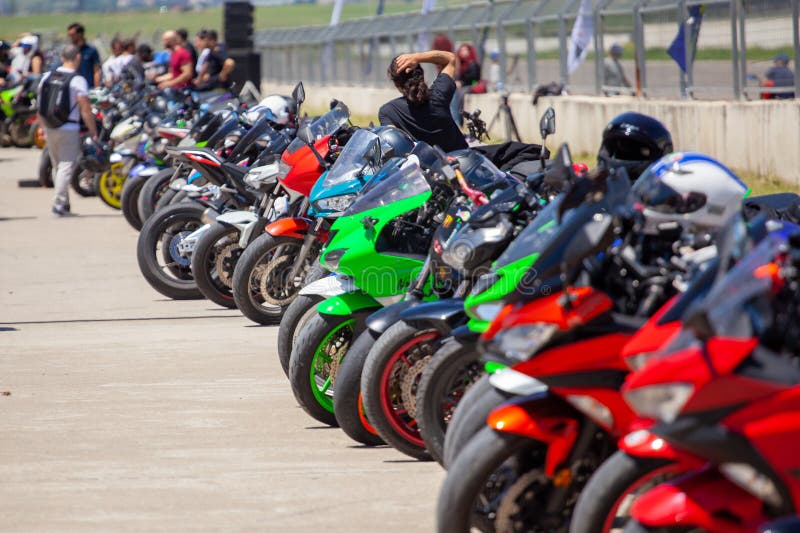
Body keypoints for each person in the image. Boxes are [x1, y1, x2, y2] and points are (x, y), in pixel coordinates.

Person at [38, 44, 98, 216]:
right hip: (69, 127)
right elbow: (85, 108)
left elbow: (41, 105)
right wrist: (93, 130)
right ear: (78, 58)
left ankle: (64, 203)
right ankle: (58, 204)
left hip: (50, 126)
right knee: (66, 166)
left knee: (58, 166)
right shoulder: (77, 80)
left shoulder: (47, 77)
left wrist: (41, 127)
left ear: (62, 58)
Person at [379, 49, 467, 153]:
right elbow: (450, 58)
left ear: (396, 84)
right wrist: (417, 57)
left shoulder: (389, 112)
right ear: (422, 74)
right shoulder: (439, 95)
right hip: (462, 158)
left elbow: (394, 145)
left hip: (426, 163)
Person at [451, 43, 482, 125]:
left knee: (459, 94)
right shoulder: (461, 64)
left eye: (465, 50)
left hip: (471, 85)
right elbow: (457, 76)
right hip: (463, 86)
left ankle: (457, 120)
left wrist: (462, 83)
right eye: (461, 50)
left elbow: (473, 78)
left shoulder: (473, 64)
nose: (462, 52)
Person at [67, 23, 101, 87]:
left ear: (80, 34)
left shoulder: (91, 51)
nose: (70, 37)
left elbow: (96, 71)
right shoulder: (68, 52)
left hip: (87, 87)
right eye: (69, 35)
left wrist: (97, 88)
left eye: (72, 35)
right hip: (72, 87)